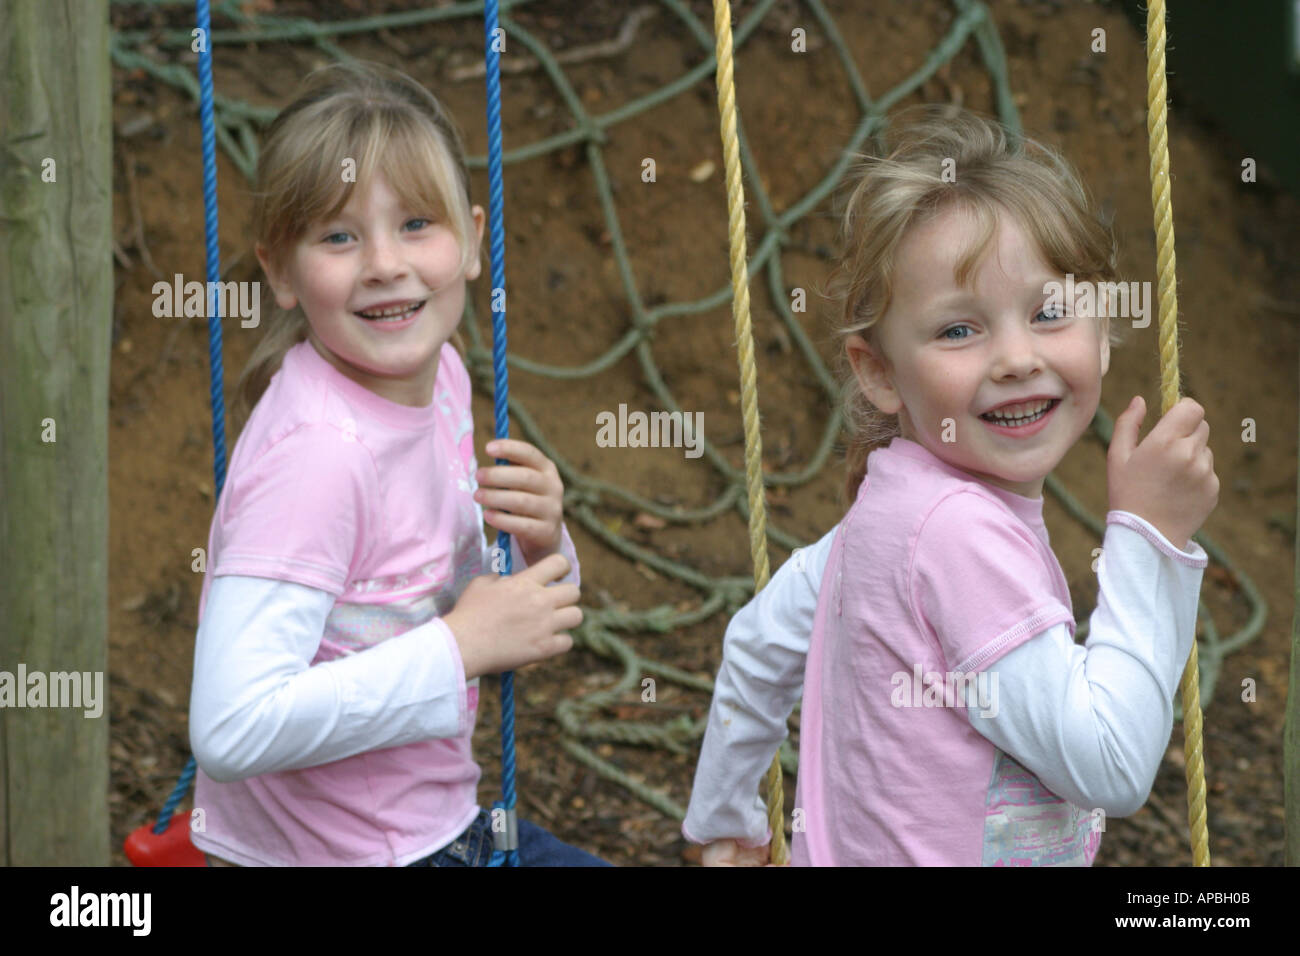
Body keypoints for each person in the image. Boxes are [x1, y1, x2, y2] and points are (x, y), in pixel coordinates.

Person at [682, 105, 1218, 866]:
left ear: (1103, 329)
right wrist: (1152, 538)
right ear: (879, 372)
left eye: (1049, 312)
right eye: (958, 330)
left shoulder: (896, 513)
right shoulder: (955, 536)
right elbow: (1113, 764)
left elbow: (757, 642)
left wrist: (725, 818)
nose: (1015, 357)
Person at [188, 61, 608, 867]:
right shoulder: (318, 454)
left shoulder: (442, 375)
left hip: (430, 830)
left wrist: (542, 539)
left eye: (417, 223)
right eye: (340, 236)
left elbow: (517, 607)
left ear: (474, 240)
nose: (384, 262)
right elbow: (230, 726)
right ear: (279, 270)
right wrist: (461, 646)